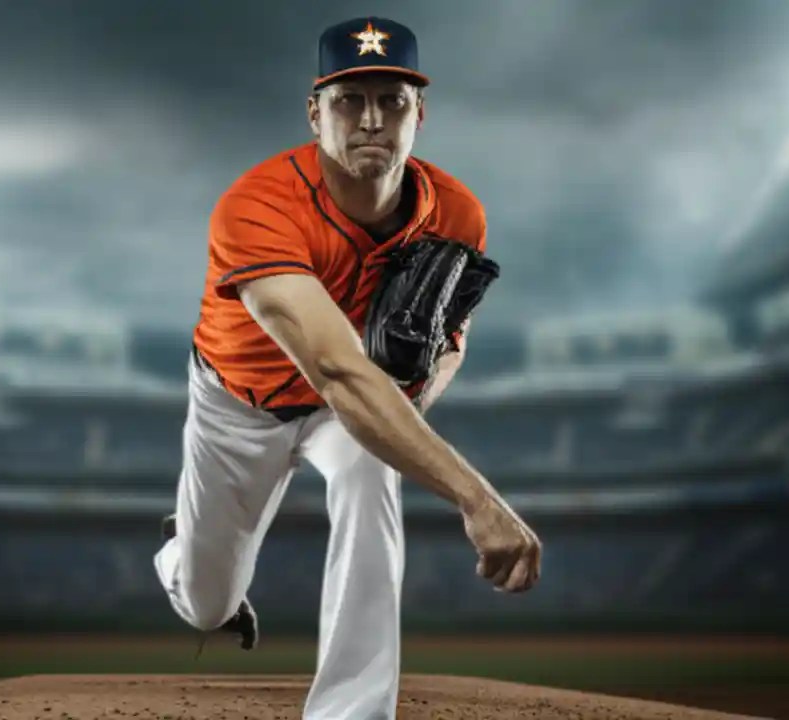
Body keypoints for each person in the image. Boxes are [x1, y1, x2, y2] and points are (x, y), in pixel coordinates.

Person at [153, 15, 542, 720]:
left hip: (343, 408)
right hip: (239, 404)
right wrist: (477, 499)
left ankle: (352, 713)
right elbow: (336, 368)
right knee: (208, 603)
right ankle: (181, 559)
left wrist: (405, 408)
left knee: (372, 470)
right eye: (348, 99)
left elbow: (449, 342)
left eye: (392, 100)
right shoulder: (259, 206)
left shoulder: (457, 213)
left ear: (419, 113)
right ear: (315, 112)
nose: (371, 118)